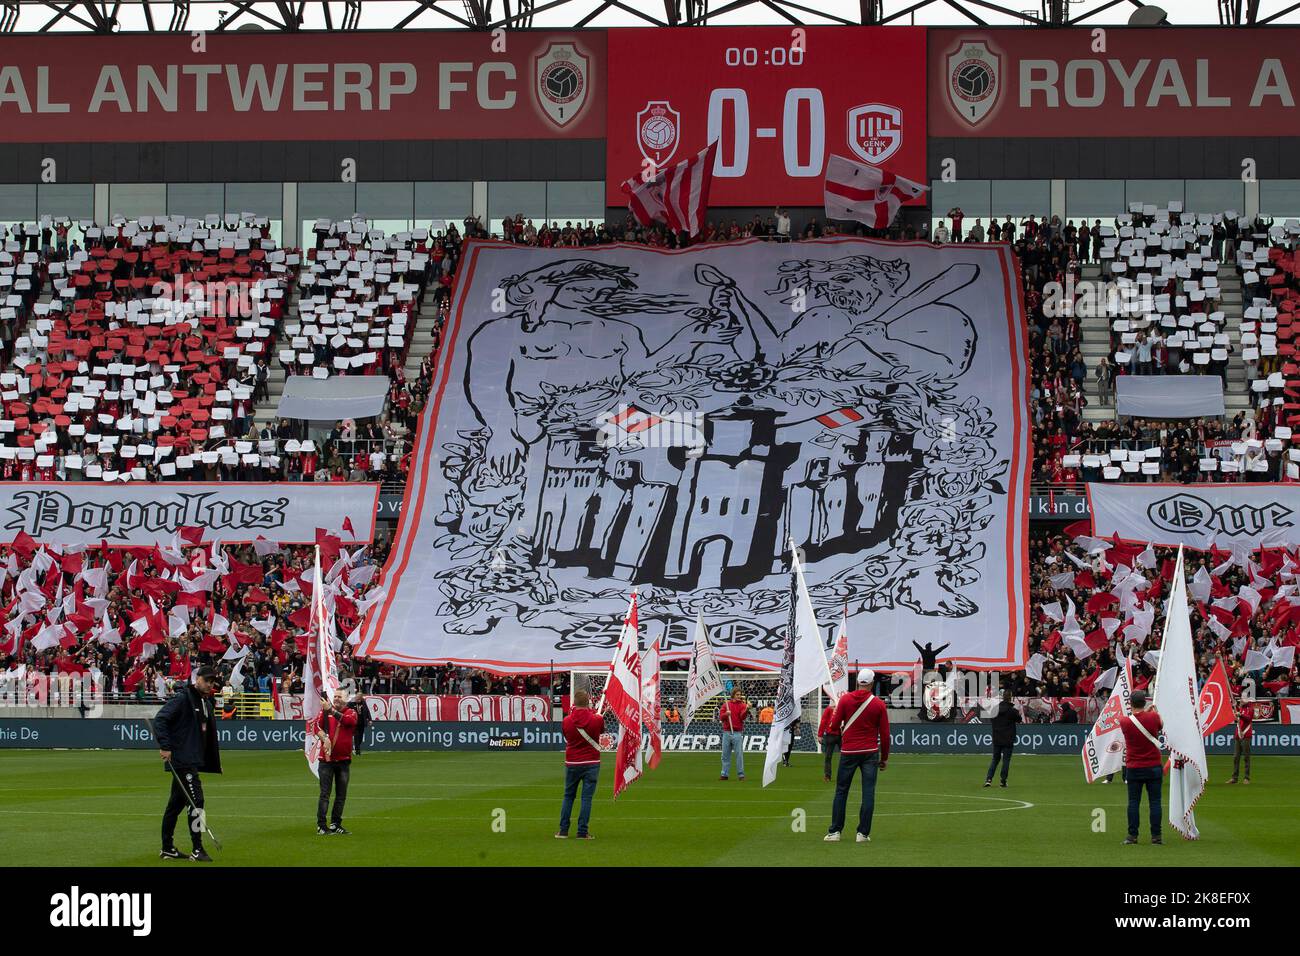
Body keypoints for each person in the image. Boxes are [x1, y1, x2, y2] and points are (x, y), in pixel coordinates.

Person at [154, 664, 222, 862]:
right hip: (183, 760)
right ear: (197, 678)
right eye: (206, 680)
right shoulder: (183, 698)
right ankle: (197, 848)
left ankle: (167, 848)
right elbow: (161, 719)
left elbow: (206, 737)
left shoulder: (205, 703)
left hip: (190, 759)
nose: (209, 684)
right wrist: (165, 746)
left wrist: (214, 762)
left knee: (175, 806)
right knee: (197, 801)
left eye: (212, 681)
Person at [825, 669, 890, 844]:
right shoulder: (878, 704)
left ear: (858, 682)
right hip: (870, 753)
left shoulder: (845, 699)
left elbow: (834, 725)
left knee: (841, 791)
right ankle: (862, 833)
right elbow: (885, 735)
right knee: (868, 792)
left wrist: (840, 726)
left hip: (849, 752)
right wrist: (884, 758)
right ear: (872, 683)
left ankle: (835, 831)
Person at [1119, 689, 1164, 845]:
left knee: (1133, 803)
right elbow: (1160, 725)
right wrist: (1154, 712)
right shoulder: (1153, 717)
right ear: (1145, 702)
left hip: (1134, 767)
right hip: (1153, 766)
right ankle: (1156, 836)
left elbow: (1130, 719)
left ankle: (1132, 836)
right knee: (1155, 803)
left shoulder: (1124, 721)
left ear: (1131, 703)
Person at [556, 689, 602, 839]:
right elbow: (601, 730)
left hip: (572, 762)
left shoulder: (566, 720)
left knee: (568, 796)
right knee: (586, 799)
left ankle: (563, 830)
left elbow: (566, 736)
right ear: (588, 702)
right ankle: (582, 831)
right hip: (591, 762)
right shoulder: (597, 719)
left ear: (574, 703)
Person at [316, 689, 358, 835]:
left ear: (346, 699)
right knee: (325, 794)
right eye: (335, 696)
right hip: (326, 760)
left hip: (343, 761)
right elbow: (317, 727)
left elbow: (348, 721)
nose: (336, 699)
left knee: (341, 795)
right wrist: (324, 738)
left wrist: (331, 711)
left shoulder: (351, 712)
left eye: (340, 697)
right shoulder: (325, 711)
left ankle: (335, 824)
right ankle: (321, 825)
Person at [984, 689, 1020, 788]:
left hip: (997, 737)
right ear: (1010, 698)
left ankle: (988, 779)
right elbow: (1019, 719)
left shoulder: (995, 709)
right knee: (1006, 760)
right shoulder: (1012, 711)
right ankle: (1003, 781)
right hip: (1008, 738)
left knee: (995, 759)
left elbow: (992, 719)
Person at [718, 688, 749, 781]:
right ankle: (724, 774)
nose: (739, 696)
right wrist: (726, 714)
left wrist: (747, 709)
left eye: (740, 694)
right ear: (733, 695)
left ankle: (741, 774)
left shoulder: (743, 705)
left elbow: (742, 717)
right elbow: (721, 717)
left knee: (739, 755)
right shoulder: (726, 705)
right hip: (727, 732)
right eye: (737, 694)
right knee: (725, 755)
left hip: (737, 733)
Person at [1226, 697, 1252, 784]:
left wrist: (1239, 714)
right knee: (1236, 757)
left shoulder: (1250, 709)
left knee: (1246, 757)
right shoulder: (1240, 709)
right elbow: (1237, 716)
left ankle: (1246, 778)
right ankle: (1234, 777)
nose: (1241, 701)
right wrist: (1234, 707)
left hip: (1246, 735)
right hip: (1238, 735)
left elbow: (1248, 718)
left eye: (1243, 700)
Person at [817, 698, 840, 783]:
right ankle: (828, 775)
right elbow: (824, 721)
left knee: (829, 757)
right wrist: (820, 734)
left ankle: (828, 776)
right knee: (828, 756)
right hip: (833, 735)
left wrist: (820, 735)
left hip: (838, 734)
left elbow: (823, 721)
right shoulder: (830, 709)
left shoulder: (838, 708)